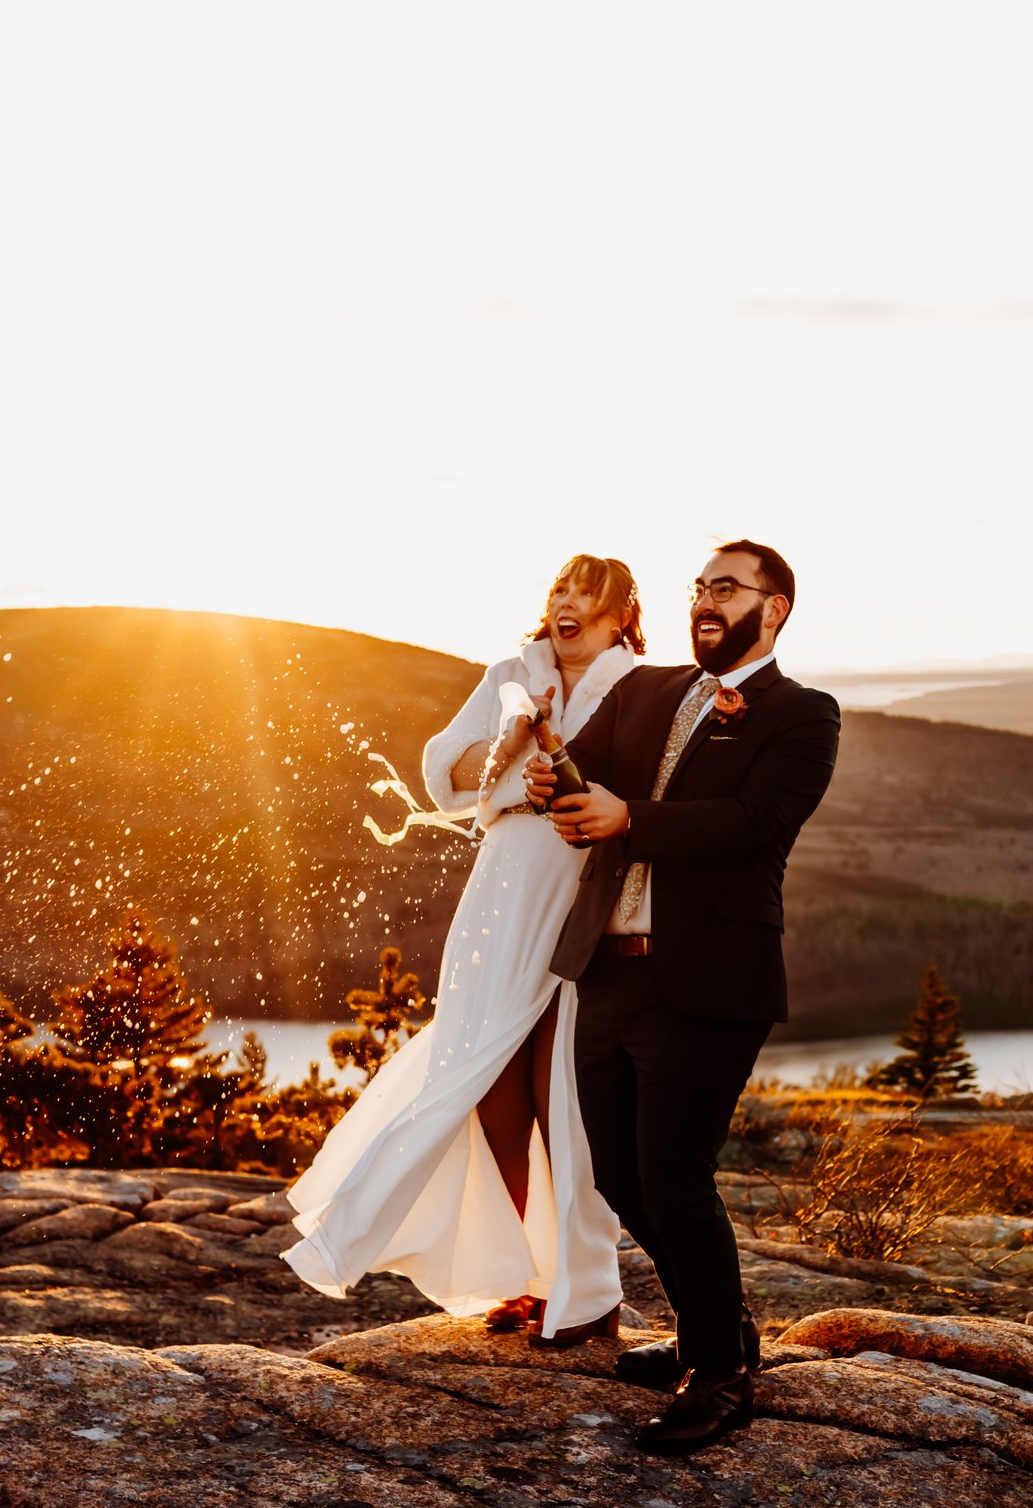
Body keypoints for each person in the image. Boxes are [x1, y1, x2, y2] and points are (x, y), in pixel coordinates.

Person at [525, 539, 841, 1452]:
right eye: (701, 585)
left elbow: (756, 824)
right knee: (619, 1175)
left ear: (773, 610)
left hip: (709, 980)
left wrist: (632, 817)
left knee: (674, 1174)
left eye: (727, 588)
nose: (706, 599)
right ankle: (720, 1326)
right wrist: (551, 782)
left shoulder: (803, 714)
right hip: (608, 966)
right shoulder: (643, 689)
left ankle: (721, 1375)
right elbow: (581, 768)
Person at [282, 557, 642, 1342]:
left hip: (582, 891)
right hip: (502, 886)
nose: (567, 603)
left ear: (621, 616)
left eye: (587, 594)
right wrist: (511, 751)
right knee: (489, 1084)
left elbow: (646, 791)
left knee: (564, 1095)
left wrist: (572, 783)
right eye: (560, 590)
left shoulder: (640, 687)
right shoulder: (511, 674)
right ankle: (522, 1275)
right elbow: (444, 774)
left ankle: (587, 1291)